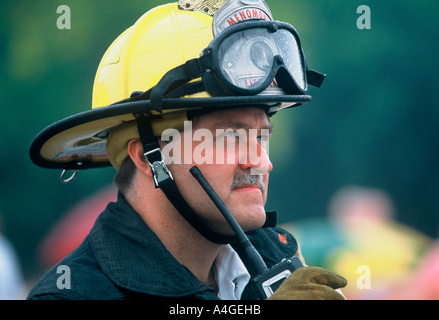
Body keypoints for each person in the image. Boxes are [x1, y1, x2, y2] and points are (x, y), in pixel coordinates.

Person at [27, 0, 347, 300]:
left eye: (262, 138)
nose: (261, 162)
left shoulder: (281, 261)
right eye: (230, 137)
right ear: (147, 157)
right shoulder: (72, 293)